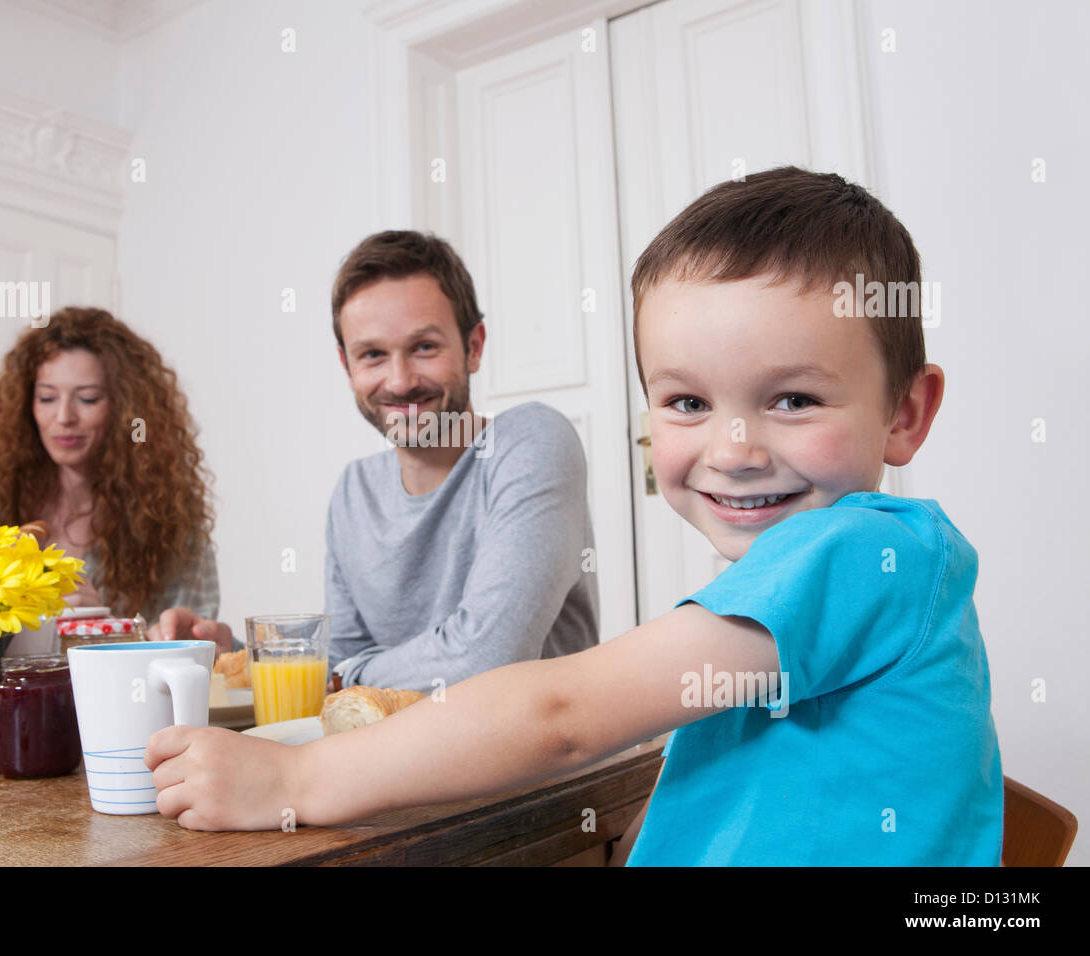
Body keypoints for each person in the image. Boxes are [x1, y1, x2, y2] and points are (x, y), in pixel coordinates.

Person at [145, 168, 1002, 865]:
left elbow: (560, 714)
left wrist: (295, 783)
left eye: (792, 398)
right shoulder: (810, 574)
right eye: (688, 401)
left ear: (904, 412)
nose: (734, 448)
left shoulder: (861, 552)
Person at [161, 231, 600, 689]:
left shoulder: (531, 440)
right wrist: (234, 651)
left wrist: (345, 674)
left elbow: (487, 656)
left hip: (545, 760)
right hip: (404, 756)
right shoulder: (355, 490)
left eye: (424, 347)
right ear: (346, 365)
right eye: (372, 355)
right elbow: (339, 659)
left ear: (473, 346)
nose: (400, 380)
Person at [0, 307, 223, 631]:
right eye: (47, 398)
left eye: (88, 399)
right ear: (26, 405)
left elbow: (187, 646)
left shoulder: (170, 520)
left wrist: (105, 630)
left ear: (123, 407)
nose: (64, 417)